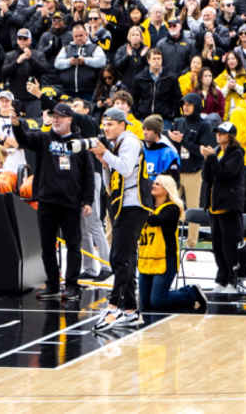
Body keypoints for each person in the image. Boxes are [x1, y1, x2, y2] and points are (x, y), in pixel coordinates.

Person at [9, 102, 96, 301]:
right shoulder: (44, 137)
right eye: (53, 116)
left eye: (60, 116)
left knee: (73, 245)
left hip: (71, 202)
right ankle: (53, 284)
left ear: (70, 119)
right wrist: (15, 123)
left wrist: (88, 200)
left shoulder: (79, 143)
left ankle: (72, 285)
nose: (56, 119)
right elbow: (23, 139)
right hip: (47, 201)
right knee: (47, 246)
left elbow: (88, 174)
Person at [90, 108, 152, 330]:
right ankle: (131, 311)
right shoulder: (116, 145)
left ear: (122, 124)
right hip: (121, 206)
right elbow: (110, 183)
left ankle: (114, 306)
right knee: (125, 258)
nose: (106, 128)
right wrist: (105, 163)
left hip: (134, 205)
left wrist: (105, 154)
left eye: (110, 124)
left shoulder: (130, 142)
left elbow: (125, 169)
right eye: (104, 125)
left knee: (119, 257)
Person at [137, 174, 209, 313]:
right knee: (145, 305)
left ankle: (191, 292)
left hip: (165, 260)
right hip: (146, 259)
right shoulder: (148, 207)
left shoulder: (172, 209)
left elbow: (155, 220)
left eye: (158, 184)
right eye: (154, 183)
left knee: (158, 302)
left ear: (167, 189)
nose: (153, 185)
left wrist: (139, 209)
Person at [201, 121, 246, 294]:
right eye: (217, 132)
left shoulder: (237, 154)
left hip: (229, 205)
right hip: (214, 205)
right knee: (217, 246)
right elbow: (207, 176)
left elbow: (225, 174)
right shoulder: (217, 151)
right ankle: (221, 277)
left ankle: (232, 280)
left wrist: (211, 158)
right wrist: (208, 159)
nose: (218, 135)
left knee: (229, 245)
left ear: (230, 136)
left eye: (222, 133)